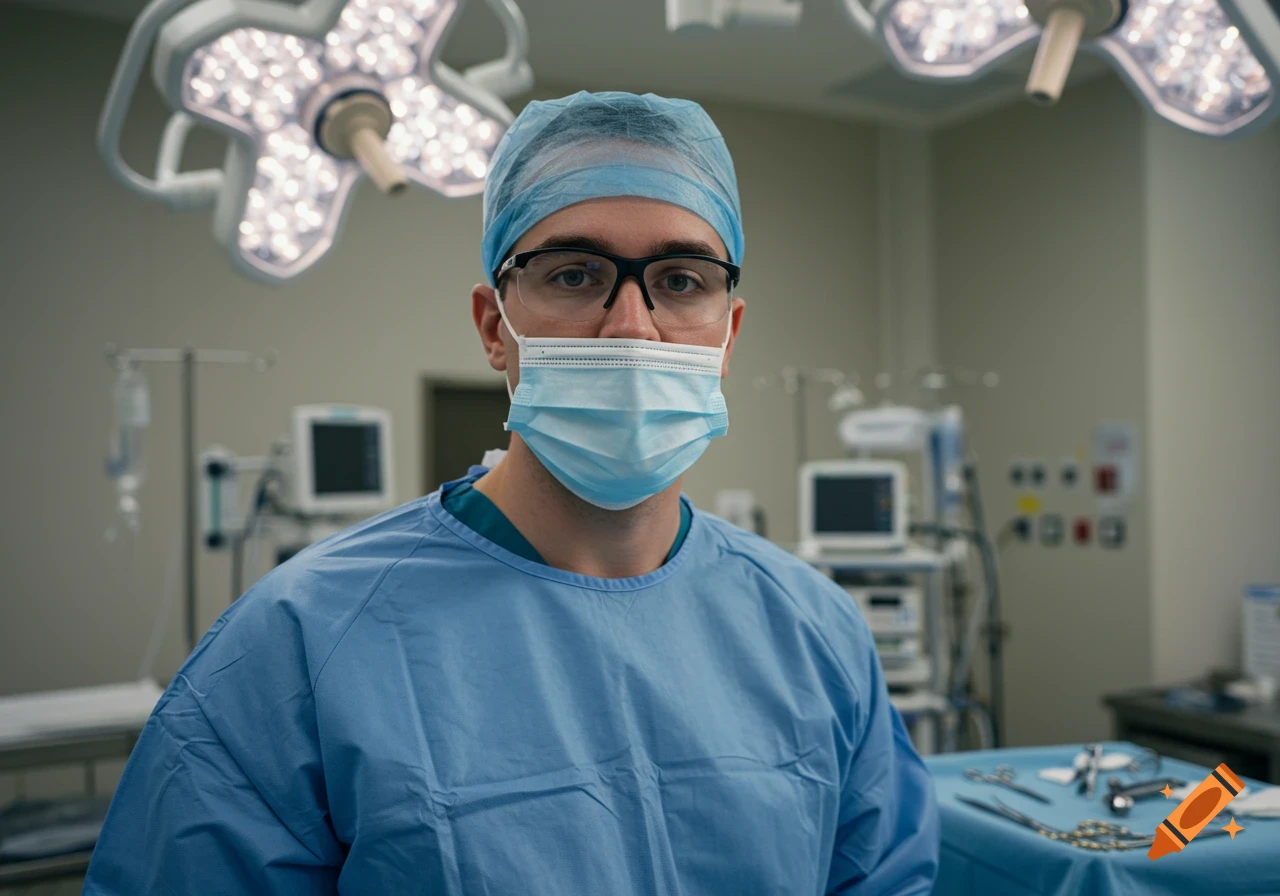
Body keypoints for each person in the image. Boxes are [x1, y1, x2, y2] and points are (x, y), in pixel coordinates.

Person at [82, 91, 939, 895]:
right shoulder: (300, 646)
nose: (632, 326)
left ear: (727, 334)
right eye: (574, 274)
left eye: (681, 281)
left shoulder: (815, 633)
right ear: (496, 325)